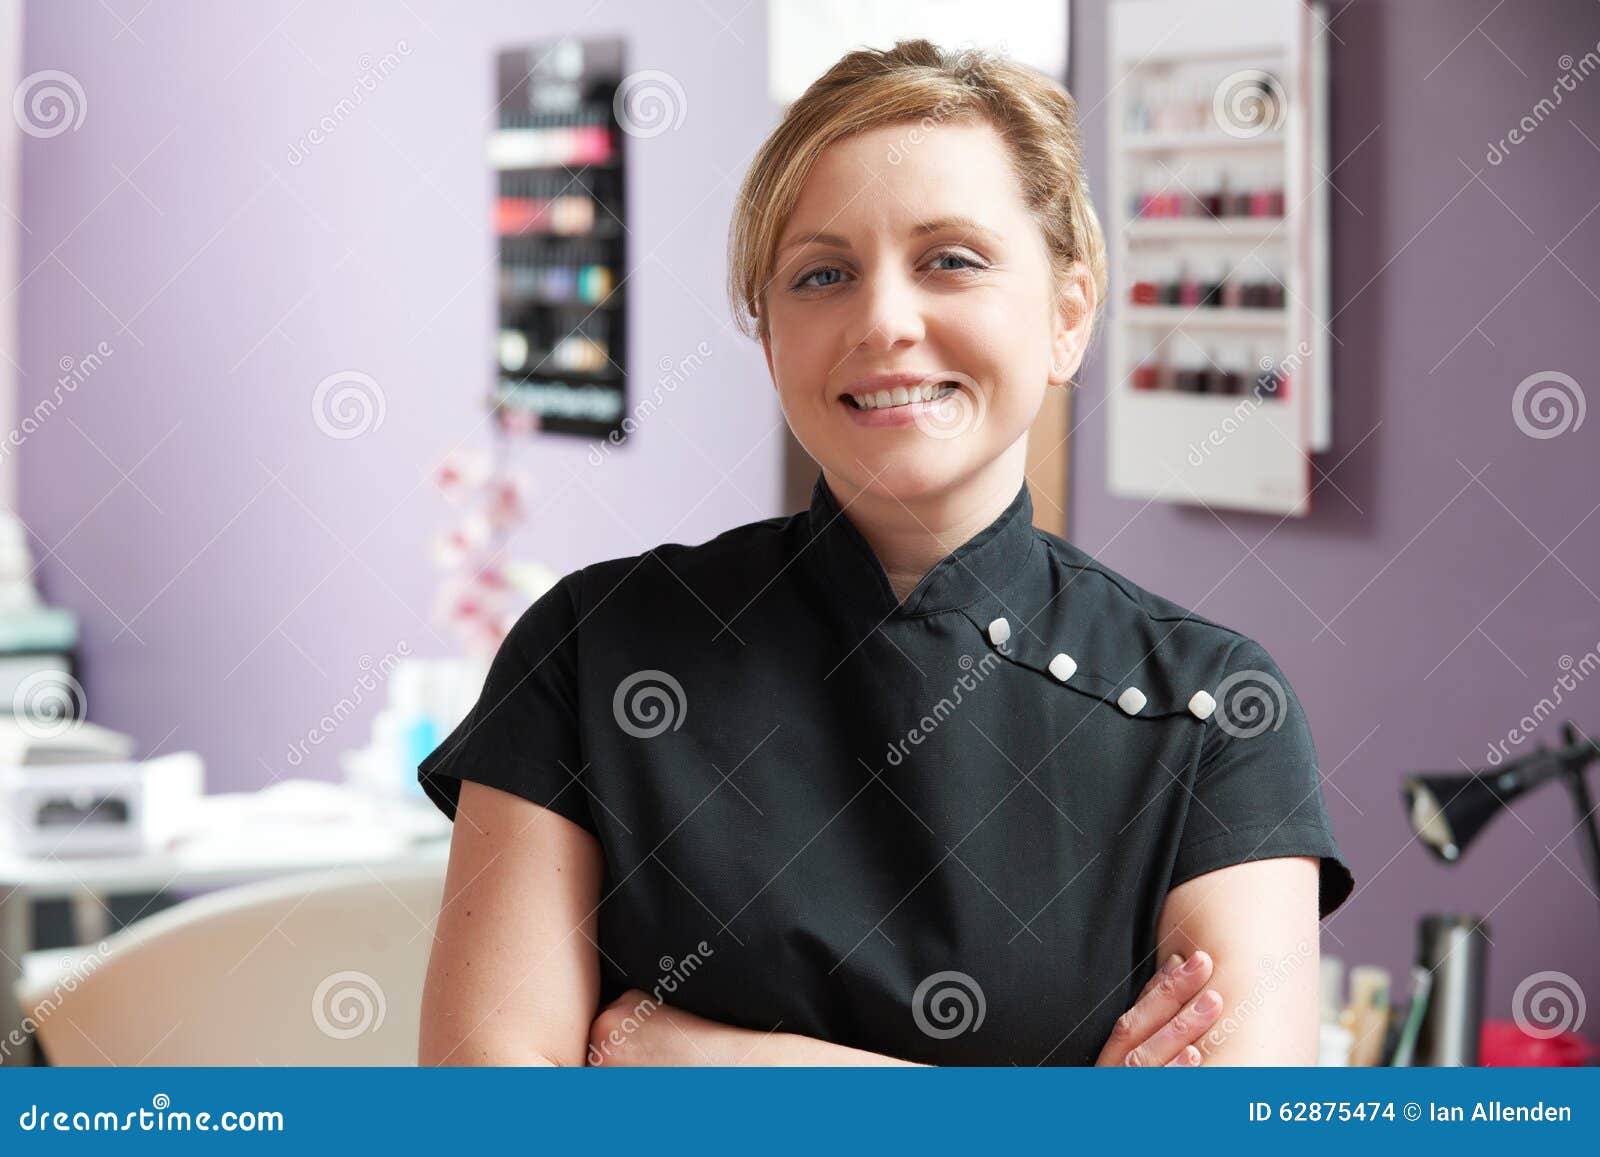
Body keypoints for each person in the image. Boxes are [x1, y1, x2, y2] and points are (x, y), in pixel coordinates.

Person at [417, 39, 1353, 1067]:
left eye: (950, 259)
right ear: (769, 335)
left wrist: (709, 1064)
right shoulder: (590, 651)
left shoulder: (1212, 707)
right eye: (822, 273)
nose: (883, 321)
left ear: (1068, 315)